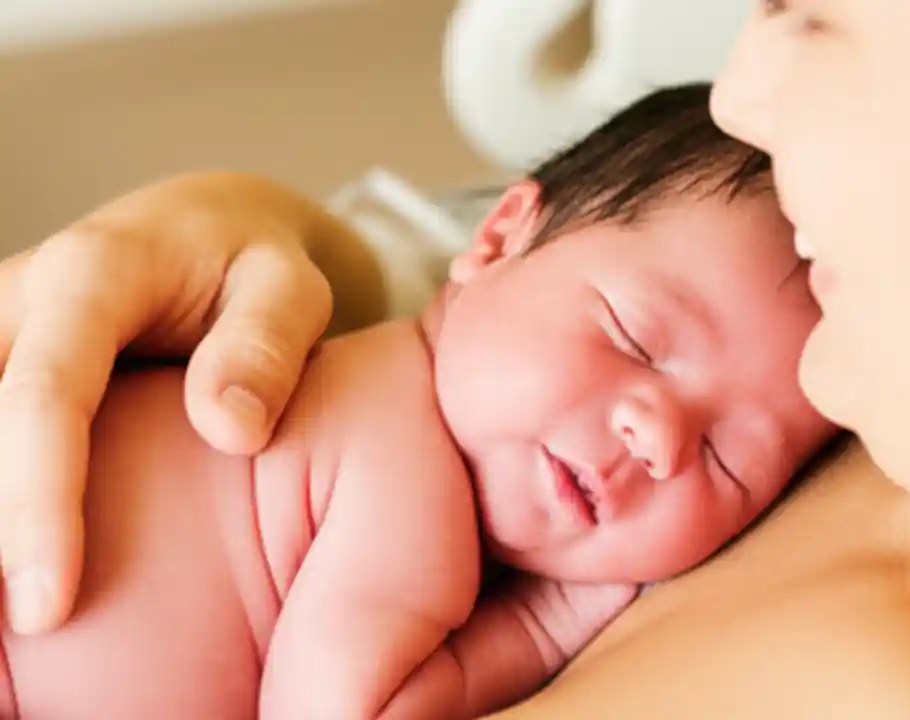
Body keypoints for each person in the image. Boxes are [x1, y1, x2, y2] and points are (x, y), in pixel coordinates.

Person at [1, 0, 910, 717]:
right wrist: (287, 240)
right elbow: (470, 272)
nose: (741, 87)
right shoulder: (878, 340)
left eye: (820, 14)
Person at [0, 85, 833, 718]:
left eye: (731, 463)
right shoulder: (408, 475)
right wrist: (547, 624)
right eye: (633, 337)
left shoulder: (359, 376)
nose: (656, 437)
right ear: (499, 236)